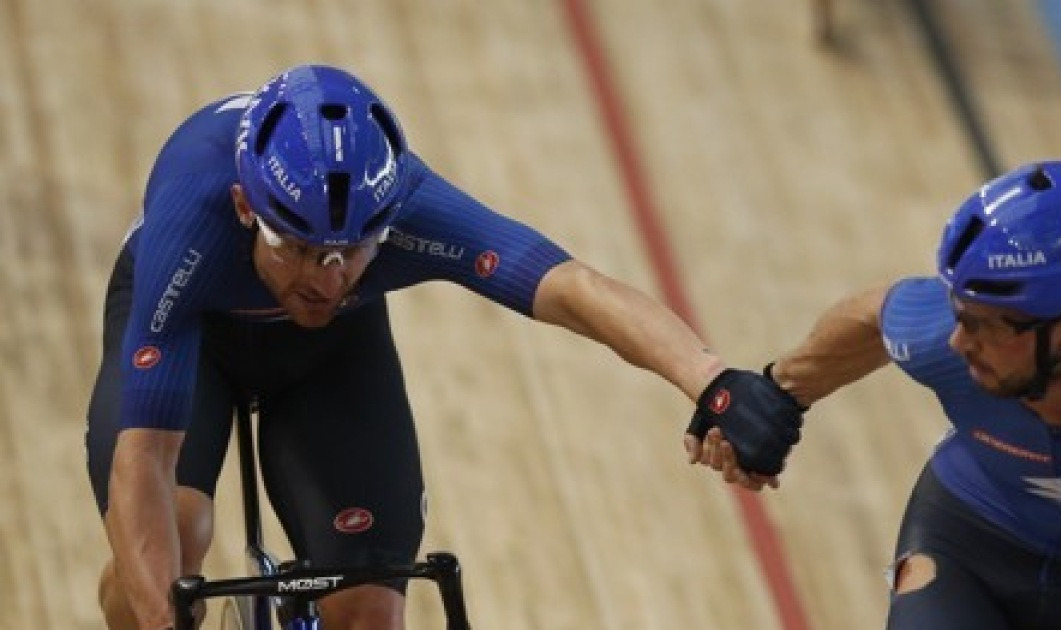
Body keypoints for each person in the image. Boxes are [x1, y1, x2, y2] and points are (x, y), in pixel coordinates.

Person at [85, 63, 803, 630]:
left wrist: (711, 380)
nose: (325, 280)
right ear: (247, 208)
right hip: (194, 339)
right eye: (298, 248)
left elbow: (571, 286)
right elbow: (144, 456)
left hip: (327, 356)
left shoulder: (405, 206)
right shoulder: (194, 217)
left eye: (350, 252)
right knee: (178, 540)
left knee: (371, 609)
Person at [687, 160, 1061, 628]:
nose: (959, 341)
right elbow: (874, 316)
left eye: (985, 325)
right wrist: (777, 394)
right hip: (965, 551)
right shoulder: (939, 336)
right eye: (959, 314)